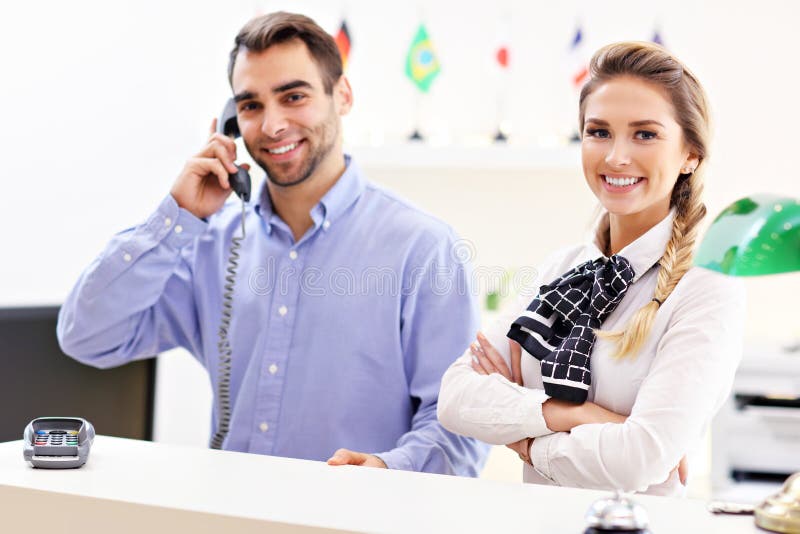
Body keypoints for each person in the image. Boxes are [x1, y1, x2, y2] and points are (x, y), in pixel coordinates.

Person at [57, 11, 487, 476]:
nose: (272, 125)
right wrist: (178, 216)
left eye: (293, 96)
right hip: (228, 509)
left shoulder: (422, 248)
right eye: (251, 105)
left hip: (359, 511)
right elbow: (87, 335)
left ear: (342, 95)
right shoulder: (208, 244)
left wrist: (387, 469)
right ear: (230, 122)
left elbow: (461, 427)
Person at [437, 42, 746, 495]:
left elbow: (638, 460)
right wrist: (573, 414)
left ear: (690, 154)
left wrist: (525, 440)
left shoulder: (707, 289)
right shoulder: (560, 268)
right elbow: (455, 397)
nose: (616, 157)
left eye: (645, 134)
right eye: (599, 132)